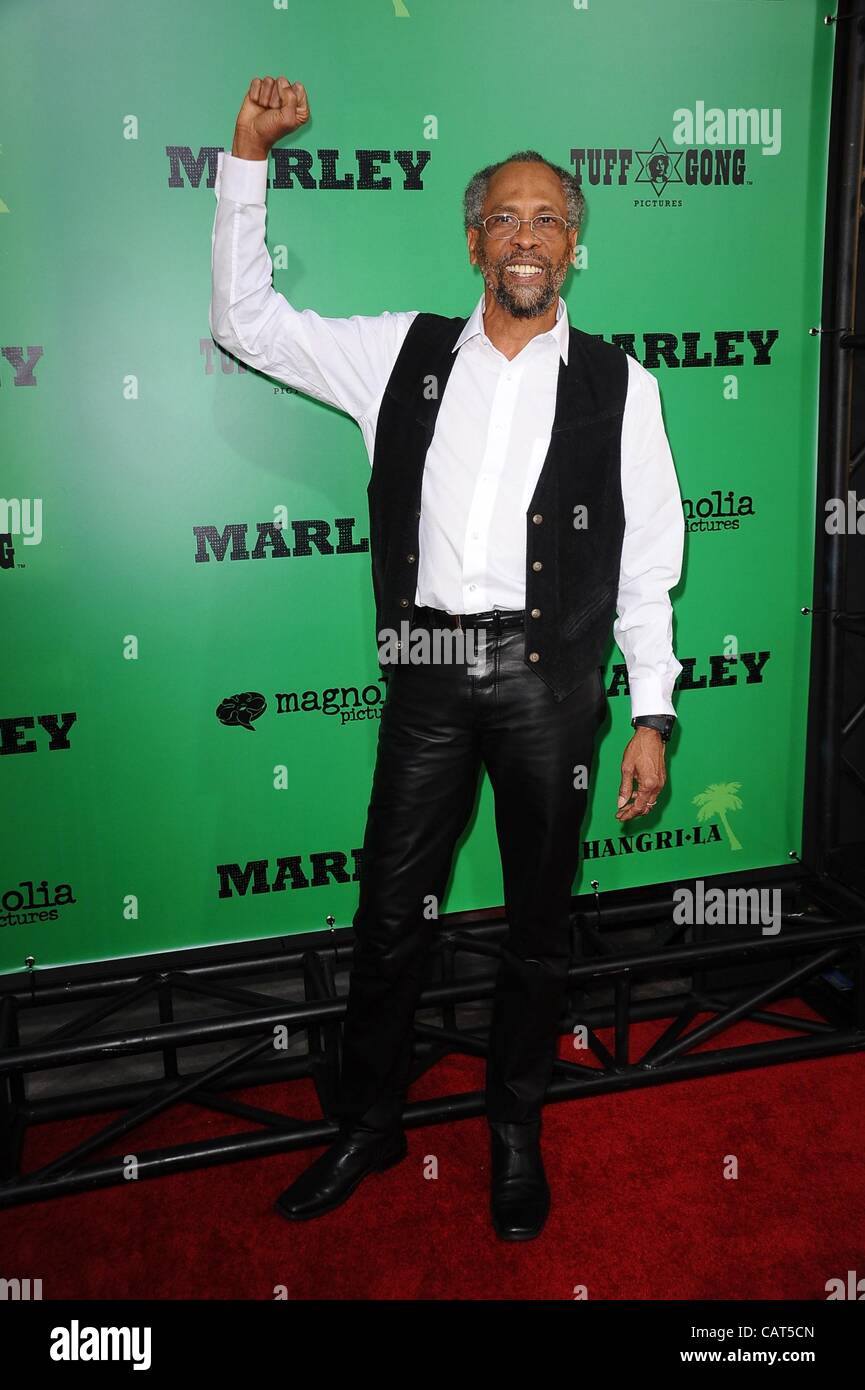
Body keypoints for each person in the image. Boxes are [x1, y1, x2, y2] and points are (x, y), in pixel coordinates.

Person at [210, 75, 684, 1241]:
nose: (526, 238)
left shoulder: (625, 386)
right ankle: (369, 1122)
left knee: (535, 925)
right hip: (426, 669)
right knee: (388, 915)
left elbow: (646, 564)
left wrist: (655, 712)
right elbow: (246, 321)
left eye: (548, 221)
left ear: (577, 246)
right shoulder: (397, 354)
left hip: (551, 685)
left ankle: (513, 1128)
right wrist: (245, 159)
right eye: (505, 219)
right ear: (472, 239)